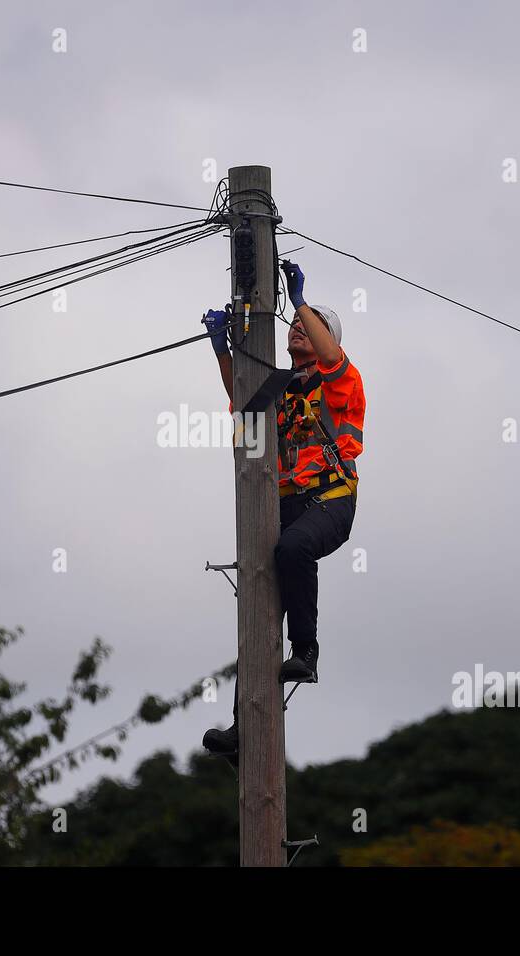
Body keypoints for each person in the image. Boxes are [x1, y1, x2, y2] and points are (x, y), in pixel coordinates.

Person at [199, 261, 366, 758]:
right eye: (296, 322)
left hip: (330, 500)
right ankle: (241, 727)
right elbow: (243, 404)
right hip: (284, 505)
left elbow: (332, 357)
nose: (297, 327)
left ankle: (307, 652)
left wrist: (299, 301)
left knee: (293, 550)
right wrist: (222, 350)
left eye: (309, 325)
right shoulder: (282, 386)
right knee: (257, 601)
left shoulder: (341, 384)